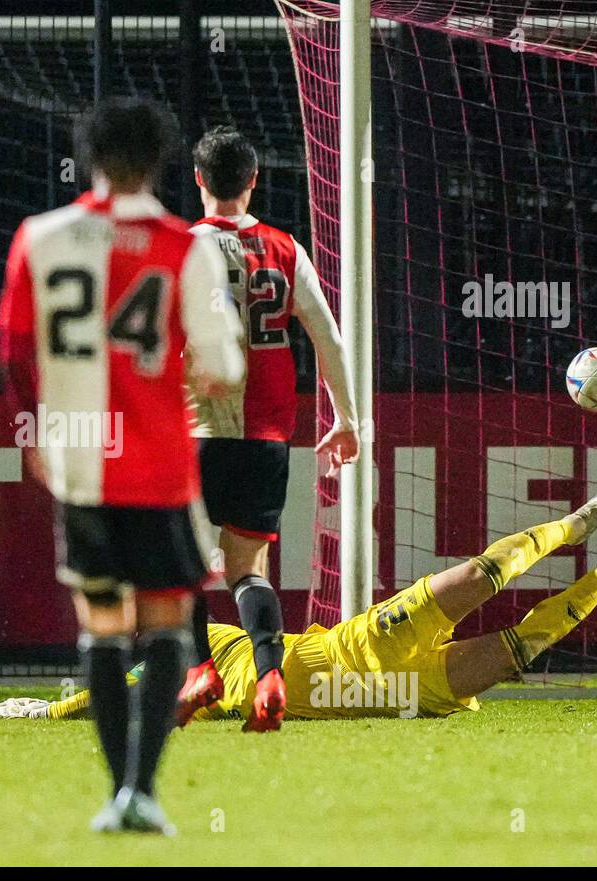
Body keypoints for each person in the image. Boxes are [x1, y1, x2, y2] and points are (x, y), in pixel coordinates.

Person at [0, 99, 244, 834]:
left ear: (90, 157)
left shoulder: (39, 238)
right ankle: (142, 790)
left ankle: (114, 793)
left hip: (80, 459)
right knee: (167, 627)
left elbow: (13, 352)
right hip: (162, 468)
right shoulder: (183, 247)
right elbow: (225, 367)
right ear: (162, 161)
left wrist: (35, 431)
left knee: (101, 626)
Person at [0, 482, 597, 723]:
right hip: (406, 696)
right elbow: (134, 692)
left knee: (478, 575)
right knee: (519, 649)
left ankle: (578, 523)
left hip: (363, 647)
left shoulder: (219, 645)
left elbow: (139, 681)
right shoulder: (207, 690)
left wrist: (56, 706)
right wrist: (51, 709)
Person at [177, 126, 361, 732]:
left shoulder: (180, 250)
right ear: (253, 181)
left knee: (176, 566)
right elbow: (328, 337)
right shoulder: (286, 248)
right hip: (267, 436)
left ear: (199, 179)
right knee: (247, 571)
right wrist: (346, 418)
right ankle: (268, 677)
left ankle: (200, 668)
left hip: (198, 429)